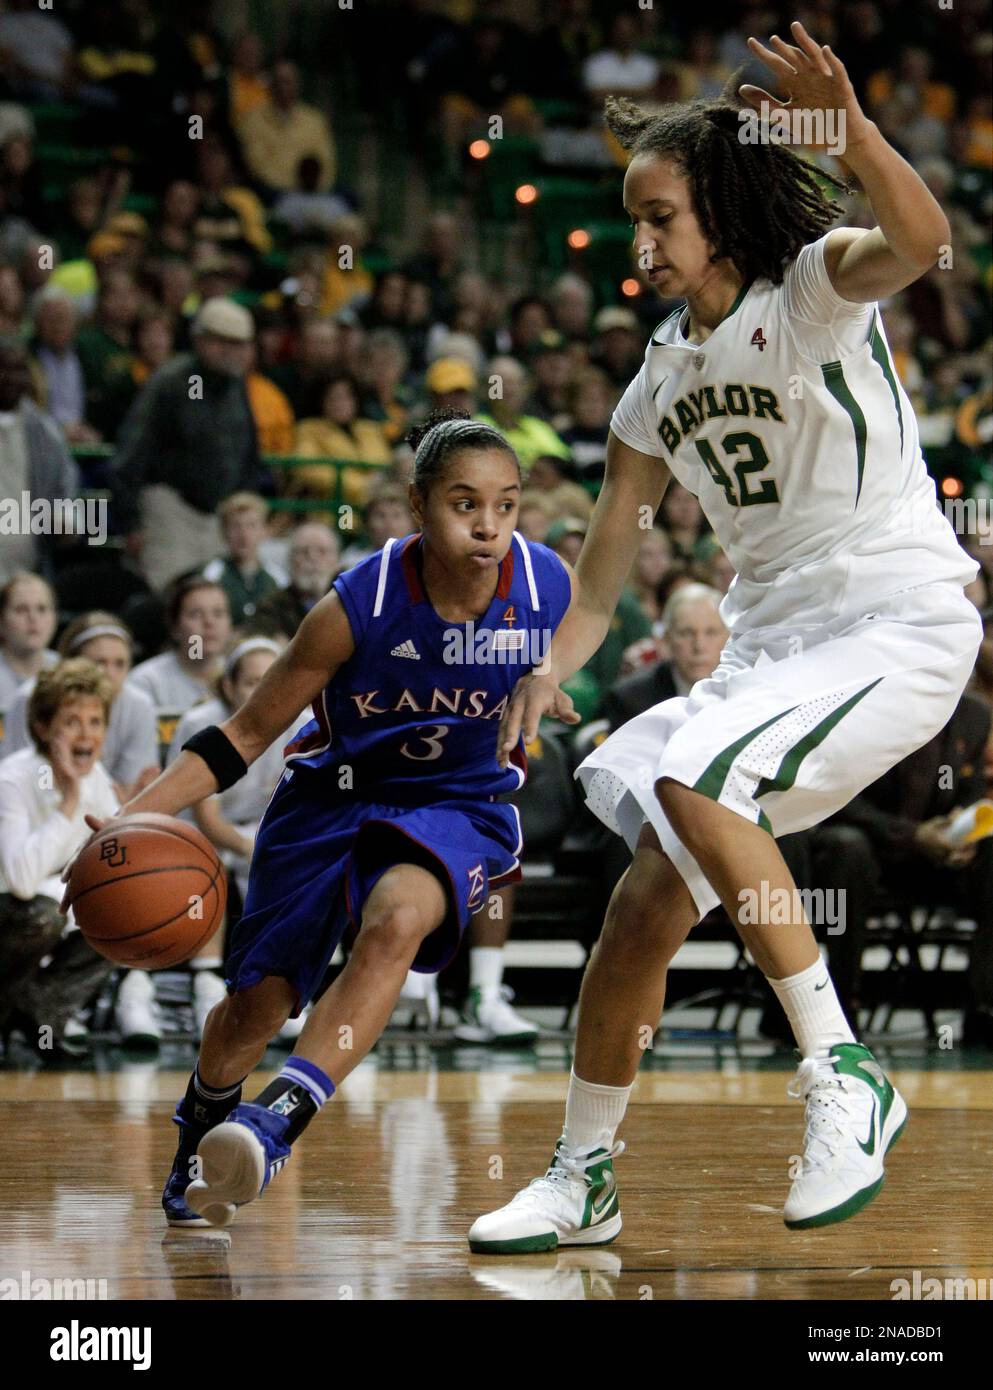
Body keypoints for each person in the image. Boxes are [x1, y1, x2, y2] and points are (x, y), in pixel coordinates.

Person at [469, 22, 983, 1252]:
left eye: (659, 219)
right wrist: (546, 666)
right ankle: (582, 1175)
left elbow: (922, 240)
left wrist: (850, 132)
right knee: (641, 911)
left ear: (719, 213)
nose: (638, 245)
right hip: (775, 653)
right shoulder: (655, 381)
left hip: (893, 622)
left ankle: (843, 1070)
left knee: (695, 775)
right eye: (633, 222)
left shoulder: (806, 294)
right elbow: (598, 581)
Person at [63, 409, 573, 1228]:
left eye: (506, 504)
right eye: (464, 503)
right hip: (328, 797)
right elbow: (242, 735)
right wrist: (129, 819)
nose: (488, 526)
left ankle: (274, 1124)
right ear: (416, 506)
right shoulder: (357, 602)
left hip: (457, 801)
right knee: (256, 1007)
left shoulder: (544, 580)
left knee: (399, 916)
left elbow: (576, 626)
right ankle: (202, 1128)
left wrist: (548, 673)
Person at [169, 635, 310, 1042]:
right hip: (202, 829)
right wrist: (252, 847)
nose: (261, 690)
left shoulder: (300, 725)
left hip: (266, 825)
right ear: (229, 686)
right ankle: (207, 980)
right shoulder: (201, 723)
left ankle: (281, 986)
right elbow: (205, 813)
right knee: (206, 865)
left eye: (270, 679)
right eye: (251, 682)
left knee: (295, 862)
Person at [0, 659, 118, 1057]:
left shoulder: (97, 778)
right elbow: (21, 880)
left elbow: (116, 849)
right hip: (11, 912)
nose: (86, 733)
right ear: (43, 727)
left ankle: (39, 1011)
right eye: (72, 722)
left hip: (48, 906)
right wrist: (68, 801)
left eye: (95, 721)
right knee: (42, 916)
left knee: (126, 916)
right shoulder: (14, 779)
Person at [110, 298, 267, 591]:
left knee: (215, 598)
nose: (232, 352)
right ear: (200, 340)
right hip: (169, 508)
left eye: (240, 344)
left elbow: (249, 453)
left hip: (219, 514)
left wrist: (246, 503)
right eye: (223, 342)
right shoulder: (172, 381)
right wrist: (130, 521)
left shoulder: (236, 386)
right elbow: (131, 453)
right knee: (172, 596)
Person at [1, 610, 158, 801]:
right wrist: (68, 802)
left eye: (120, 664)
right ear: (71, 663)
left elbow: (128, 789)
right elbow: (27, 778)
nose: (110, 674)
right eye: (100, 663)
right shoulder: (30, 698)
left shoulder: (139, 705)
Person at [126, 576, 232, 764]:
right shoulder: (145, 683)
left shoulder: (242, 677)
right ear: (175, 627)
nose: (209, 623)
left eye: (218, 613)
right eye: (195, 614)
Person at [202, 493, 282, 626]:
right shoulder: (211, 575)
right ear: (224, 532)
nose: (244, 534)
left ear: (264, 531)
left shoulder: (277, 578)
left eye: (251, 525)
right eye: (236, 526)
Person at [252, 522, 341, 641]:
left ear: (337, 561)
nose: (313, 558)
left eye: (322, 551)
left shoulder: (351, 602)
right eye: (304, 552)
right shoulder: (271, 607)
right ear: (290, 559)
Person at [0, 572, 58, 738]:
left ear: (54, 619)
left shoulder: (68, 672)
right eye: (21, 610)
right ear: (1, 621)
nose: (33, 618)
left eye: (42, 609)